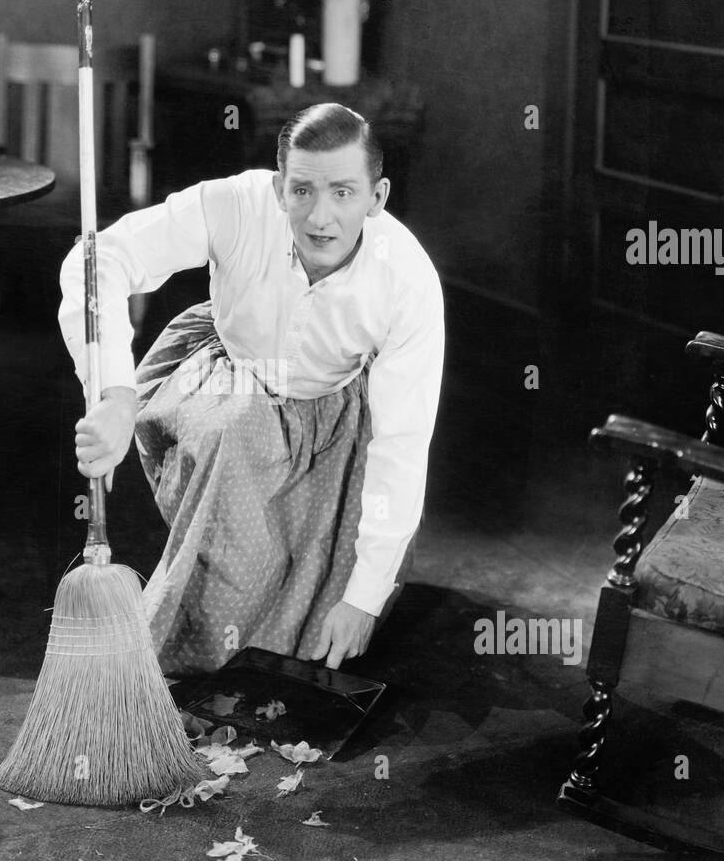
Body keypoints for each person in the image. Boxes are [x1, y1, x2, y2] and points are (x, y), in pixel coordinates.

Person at [59, 103, 444, 675]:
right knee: (238, 462)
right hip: (227, 381)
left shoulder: (408, 280)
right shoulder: (234, 203)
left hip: (333, 411)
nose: (320, 217)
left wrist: (363, 597)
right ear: (278, 186)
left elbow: (404, 444)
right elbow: (97, 261)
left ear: (377, 197)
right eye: (302, 191)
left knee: (328, 626)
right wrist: (114, 395)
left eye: (343, 192)